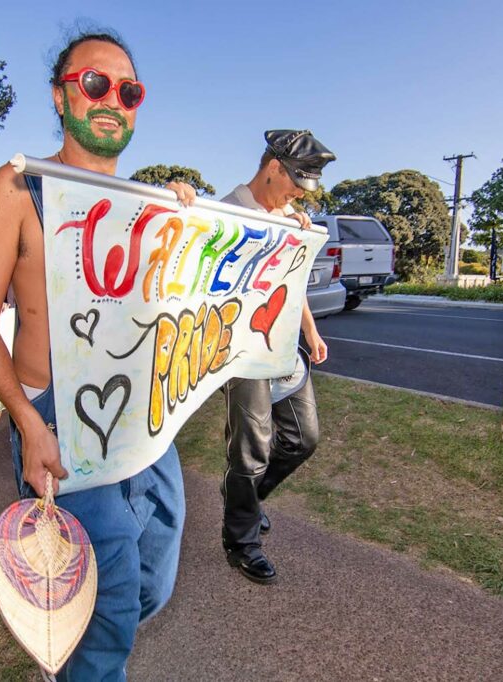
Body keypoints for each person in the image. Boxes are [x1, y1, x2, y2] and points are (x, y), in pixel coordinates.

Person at [0, 31, 186, 681]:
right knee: (110, 590)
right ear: (61, 98)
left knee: (154, 576)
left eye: (128, 90)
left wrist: (186, 220)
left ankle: (81, 647)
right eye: (94, 84)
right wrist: (27, 424)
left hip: (139, 416)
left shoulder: (144, 207)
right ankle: (90, 659)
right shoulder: (17, 186)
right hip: (56, 416)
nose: (112, 99)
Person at [218, 129, 336, 584]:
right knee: (250, 449)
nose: (298, 195)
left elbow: (293, 281)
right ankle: (242, 542)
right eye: (295, 184)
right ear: (273, 168)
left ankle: (243, 501)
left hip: (285, 344)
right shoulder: (226, 212)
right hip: (243, 350)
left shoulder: (290, 218)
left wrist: (311, 329)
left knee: (303, 439)